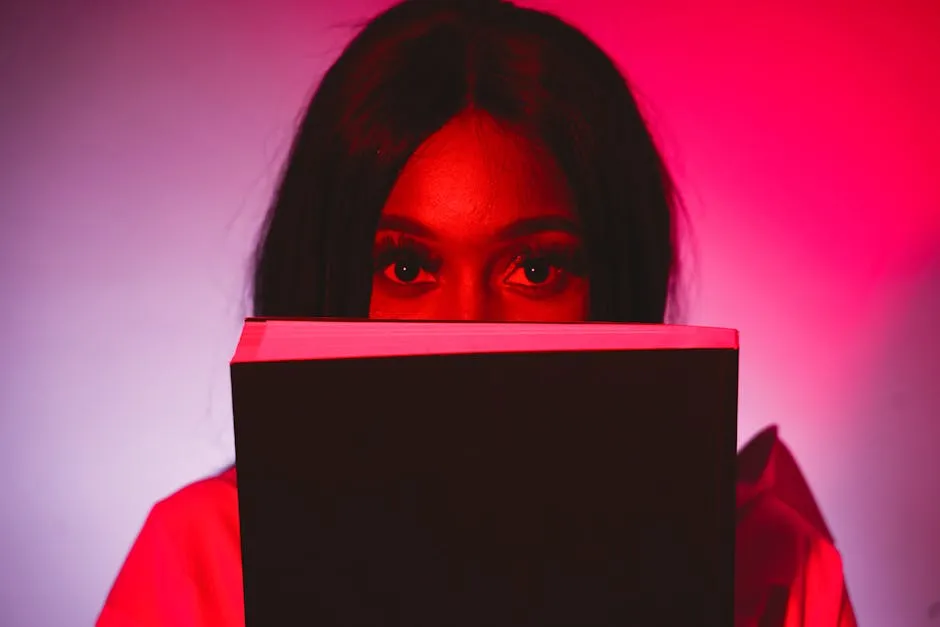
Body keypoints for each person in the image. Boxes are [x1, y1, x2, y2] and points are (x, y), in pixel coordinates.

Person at [96, 1, 857, 625]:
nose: (464, 324)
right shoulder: (201, 555)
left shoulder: (774, 569)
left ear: (616, 279)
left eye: (535, 268)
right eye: (406, 267)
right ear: (328, 272)